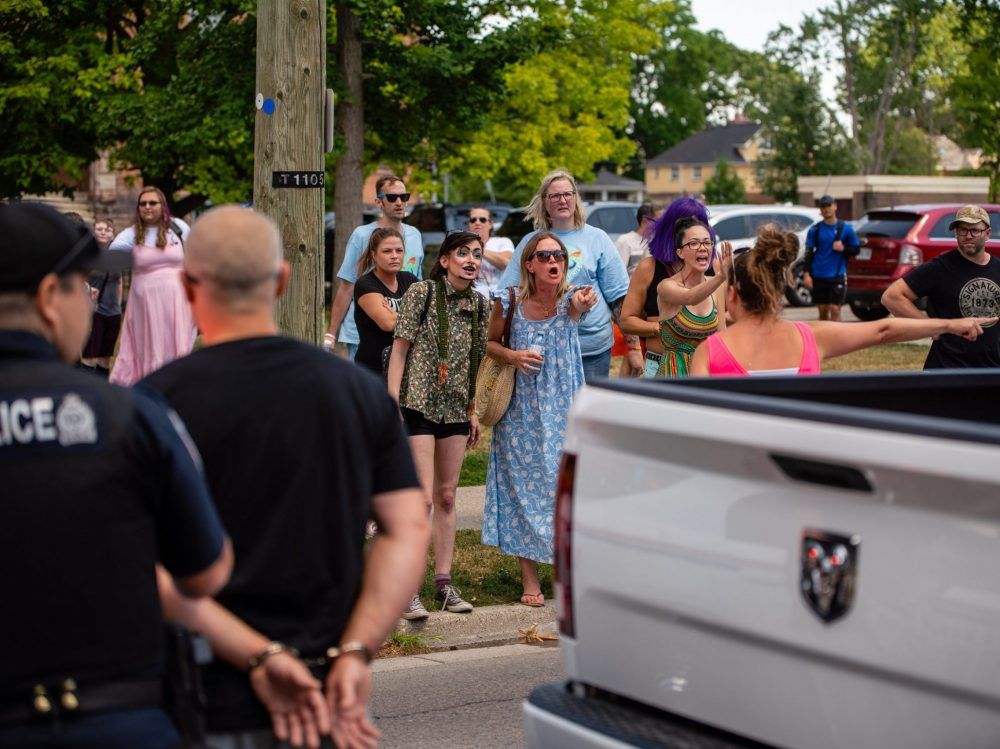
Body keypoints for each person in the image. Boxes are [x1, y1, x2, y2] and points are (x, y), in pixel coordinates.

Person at [142, 206, 429, 748]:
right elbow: (407, 527)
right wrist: (357, 650)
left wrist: (257, 655)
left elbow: (144, 560)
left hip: (199, 692)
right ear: (281, 281)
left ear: (185, 287)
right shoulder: (356, 393)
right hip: (325, 685)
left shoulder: (153, 404)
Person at [0, 202, 233, 749]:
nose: (90, 299)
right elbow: (204, 570)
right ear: (48, 299)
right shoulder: (133, 416)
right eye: (83, 284)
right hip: (119, 719)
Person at [690, 223, 995, 376]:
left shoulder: (709, 351)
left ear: (732, 294)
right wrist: (950, 324)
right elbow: (883, 330)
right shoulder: (810, 336)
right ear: (778, 289)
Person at [482, 232, 597, 606]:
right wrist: (513, 357)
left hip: (563, 406)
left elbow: (582, 306)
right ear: (529, 263)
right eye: (545, 255)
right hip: (520, 410)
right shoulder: (510, 299)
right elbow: (488, 343)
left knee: (565, 487)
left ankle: (565, 572)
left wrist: (584, 301)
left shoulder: (569, 300)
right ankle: (530, 578)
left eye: (559, 255)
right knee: (523, 489)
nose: (554, 261)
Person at [387, 230, 489, 619]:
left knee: (447, 496)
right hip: (417, 403)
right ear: (445, 259)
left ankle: (443, 584)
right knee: (422, 499)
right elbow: (400, 350)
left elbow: (476, 363)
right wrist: (391, 400)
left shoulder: (480, 305)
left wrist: (473, 409)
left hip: (456, 409)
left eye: (477, 254)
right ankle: (408, 588)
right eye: (462, 253)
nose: (471, 260)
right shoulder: (423, 293)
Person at [498, 169, 631, 382]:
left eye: (568, 194)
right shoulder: (530, 242)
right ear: (545, 202)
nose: (562, 200)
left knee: (588, 413)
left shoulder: (598, 238)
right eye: (555, 195)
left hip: (591, 350)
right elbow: (508, 295)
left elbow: (619, 298)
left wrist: (632, 347)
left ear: (576, 199)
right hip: (544, 350)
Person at [881, 204, 1000, 369]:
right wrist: (930, 328)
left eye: (975, 230)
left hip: (991, 370)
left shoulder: (997, 268)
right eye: (962, 230)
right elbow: (892, 297)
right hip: (947, 368)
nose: (968, 235)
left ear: (987, 234)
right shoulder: (940, 267)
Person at [324, 174, 424, 359]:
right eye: (392, 197)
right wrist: (331, 332)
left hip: (404, 331)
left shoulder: (415, 235)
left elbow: (418, 285)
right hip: (363, 332)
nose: (399, 202)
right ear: (379, 202)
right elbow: (347, 286)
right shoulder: (362, 235)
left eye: (404, 197)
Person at [108, 186, 195, 385]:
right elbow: (112, 254)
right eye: (143, 203)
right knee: (146, 347)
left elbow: (196, 255)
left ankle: (177, 387)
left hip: (176, 302)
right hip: (144, 303)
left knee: (175, 345)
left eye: (152, 203)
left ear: (162, 206)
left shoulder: (178, 228)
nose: (147, 207)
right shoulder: (131, 234)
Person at [620, 197, 712, 377]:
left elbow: (727, 315)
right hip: (660, 365)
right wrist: (665, 328)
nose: (692, 229)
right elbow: (627, 320)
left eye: (697, 223)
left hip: (703, 367)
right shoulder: (650, 267)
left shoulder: (713, 269)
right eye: (685, 224)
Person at [653, 216, 732, 376]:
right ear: (680, 252)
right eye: (694, 243)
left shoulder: (717, 286)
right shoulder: (667, 286)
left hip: (706, 376)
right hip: (674, 378)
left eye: (707, 242)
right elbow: (690, 297)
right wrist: (720, 277)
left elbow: (721, 338)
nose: (702, 248)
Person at [353, 227, 419, 375]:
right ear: (374, 255)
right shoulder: (366, 284)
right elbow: (387, 324)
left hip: (407, 367)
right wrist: (415, 315)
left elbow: (430, 315)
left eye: (399, 251)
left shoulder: (409, 280)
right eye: (387, 251)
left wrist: (395, 314)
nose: (394, 256)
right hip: (373, 369)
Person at [803, 195, 860, 322]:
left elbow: (856, 249)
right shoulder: (815, 230)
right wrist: (807, 274)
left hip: (837, 274)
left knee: (835, 309)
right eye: (823, 206)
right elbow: (809, 253)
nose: (826, 209)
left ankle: (838, 340)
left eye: (828, 205)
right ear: (820, 210)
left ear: (835, 206)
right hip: (818, 274)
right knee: (823, 311)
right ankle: (824, 340)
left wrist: (843, 248)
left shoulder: (845, 228)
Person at [80, 218, 122, 377]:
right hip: (94, 312)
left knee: (105, 357)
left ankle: (102, 390)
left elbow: (119, 281)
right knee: (90, 355)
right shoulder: (88, 256)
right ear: (94, 232)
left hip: (113, 313)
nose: (104, 232)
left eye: (108, 230)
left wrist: (118, 307)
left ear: (113, 235)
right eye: (100, 229)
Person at [467, 206, 514, 299]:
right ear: (469, 224)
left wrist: (478, 248)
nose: (477, 222)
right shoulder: (462, 246)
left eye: (482, 219)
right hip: (472, 300)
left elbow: (506, 263)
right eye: (473, 220)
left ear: (491, 223)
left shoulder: (503, 241)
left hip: (499, 299)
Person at [615, 203, 657, 275]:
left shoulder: (656, 242)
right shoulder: (625, 240)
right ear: (645, 221)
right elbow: (619, 273)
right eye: (656, 221)